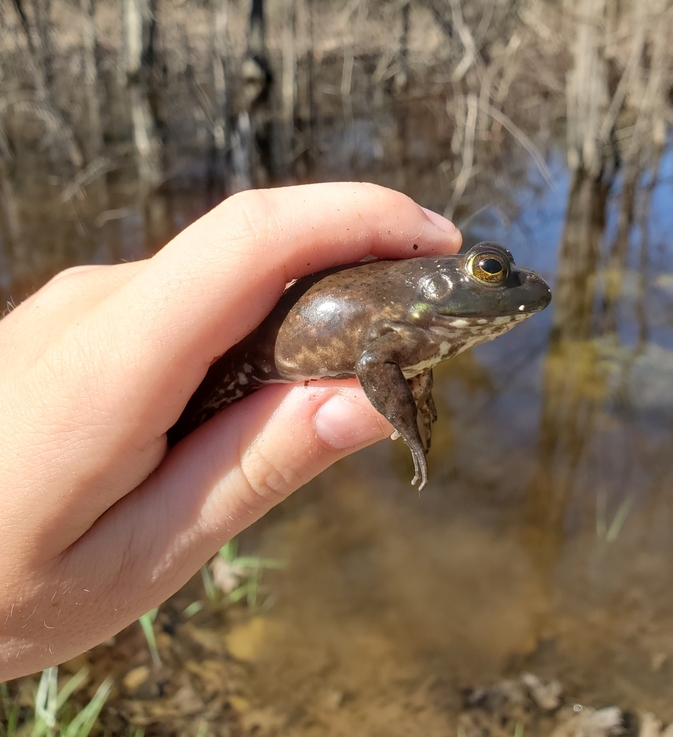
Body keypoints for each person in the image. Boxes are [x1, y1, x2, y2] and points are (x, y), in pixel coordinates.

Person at [0, 183, 460, 682]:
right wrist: (409, 428)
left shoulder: (416, 325)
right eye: (490, 272)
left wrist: (419, 406)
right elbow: (373, 361)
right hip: (237, 374)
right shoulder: (413, 321)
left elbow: (396, 360)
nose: (506, 281)